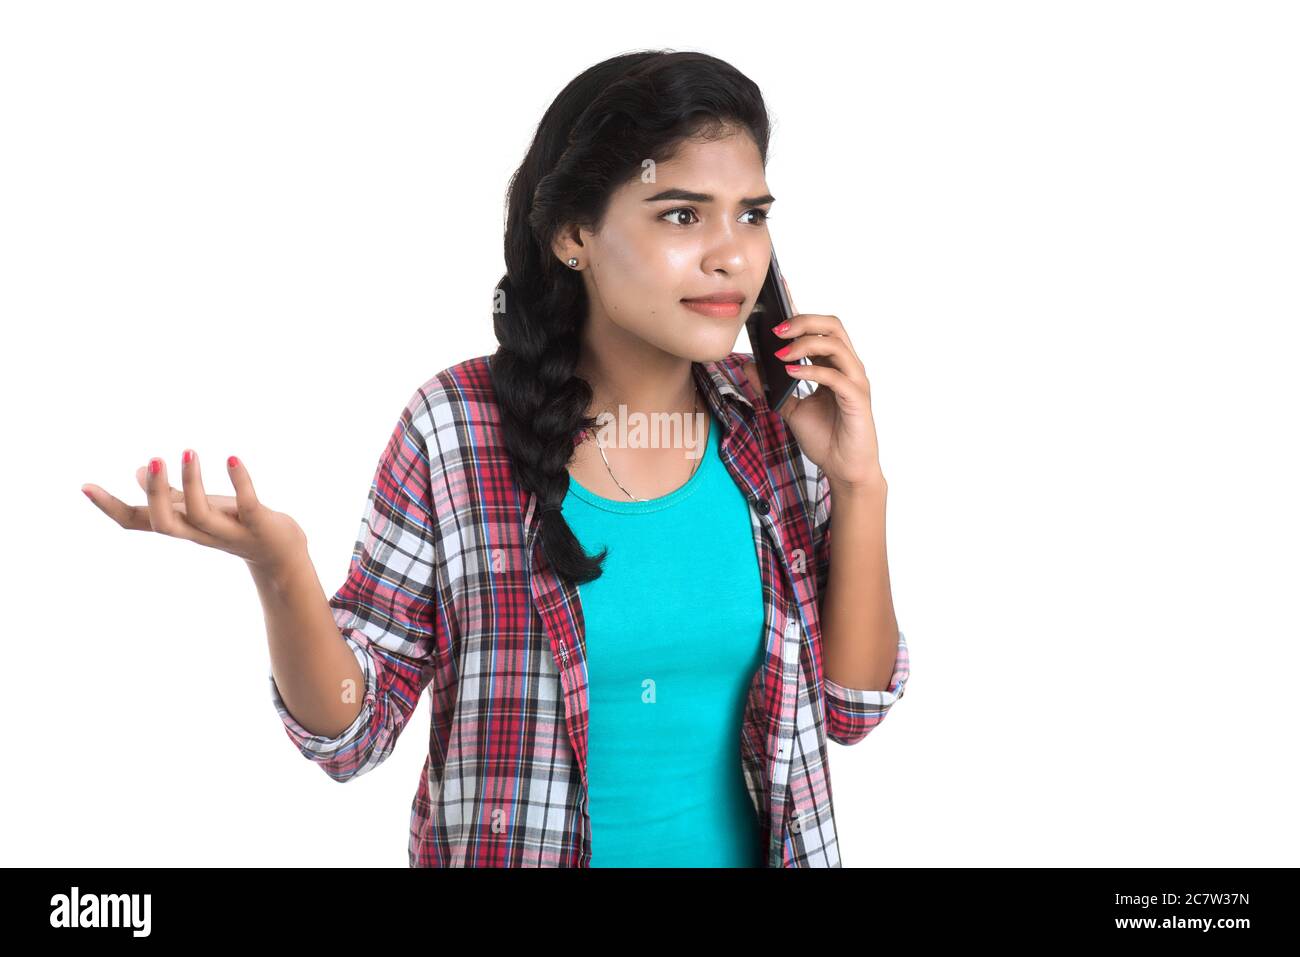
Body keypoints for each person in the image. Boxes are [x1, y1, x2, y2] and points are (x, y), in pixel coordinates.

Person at [81, 48, 910, 868]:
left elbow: (854, 706)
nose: (732, 255)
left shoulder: (776, 426)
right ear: (574, 235)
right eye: (683, 216)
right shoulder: (454, 428)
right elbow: (350, 732)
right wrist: (281, 568)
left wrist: (858, 482)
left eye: (752, 216)